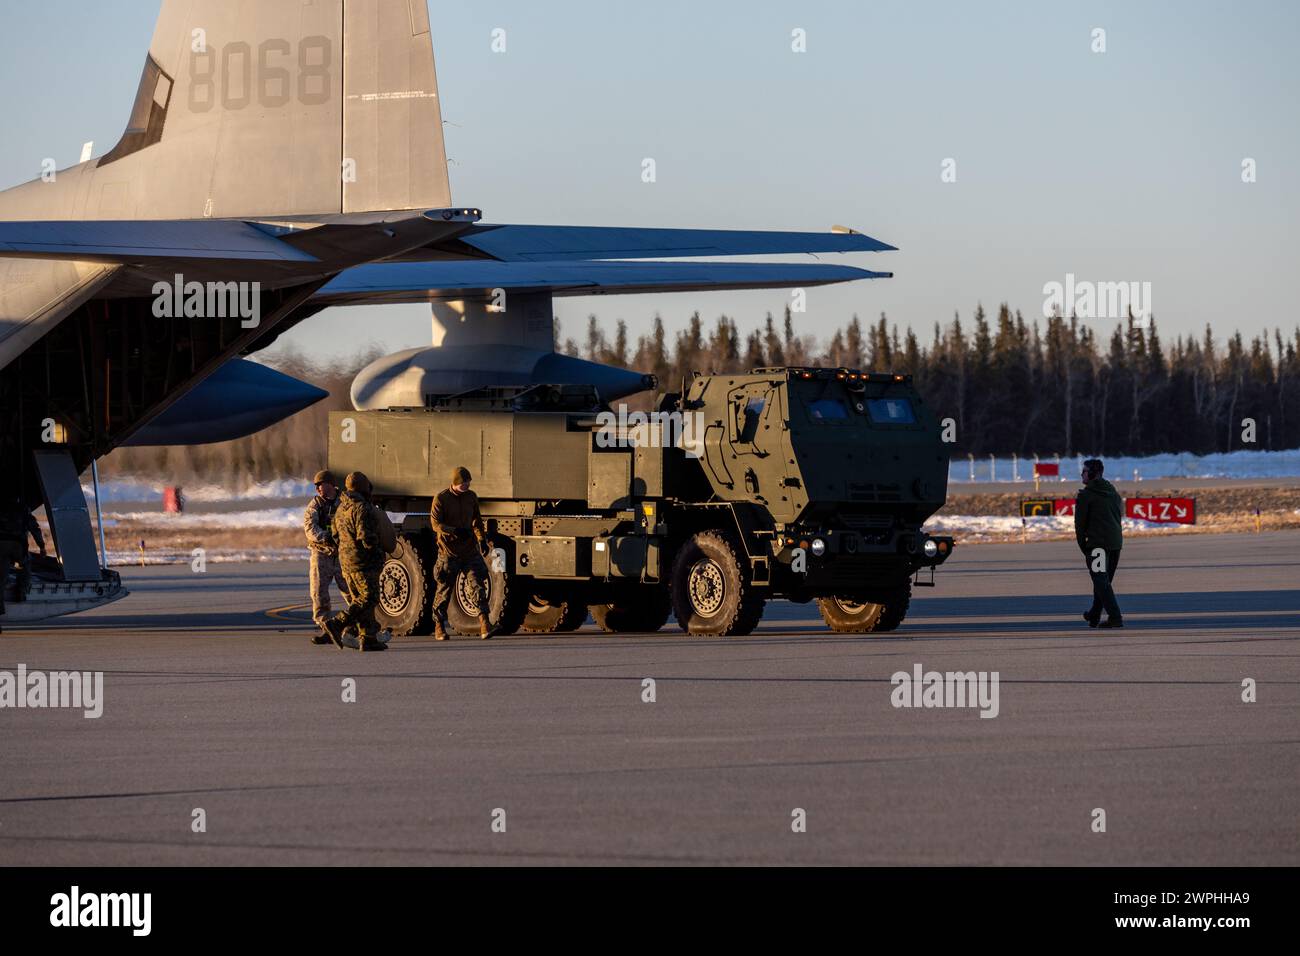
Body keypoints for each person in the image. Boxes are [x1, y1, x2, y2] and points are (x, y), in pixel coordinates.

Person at [322, 472, 387, 652]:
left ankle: (368, 638)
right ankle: (337, 623)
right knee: (369, 598)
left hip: (346, 562)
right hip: (364, 562)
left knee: (360, 599)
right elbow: (367, 538)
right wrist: (379, 548)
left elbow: (334, 536)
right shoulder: (362, 509)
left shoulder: (341, 508)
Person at [430, 466, 492, 640]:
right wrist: (454, 531)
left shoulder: (471, 497)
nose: (467, 485)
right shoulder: (441, 498)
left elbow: (476, 519)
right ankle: (439, 626)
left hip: (469, 550)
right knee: (444, 590)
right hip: (449, 551)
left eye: (468, 482)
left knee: (477, 584)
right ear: (455, 483)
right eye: (464, 483)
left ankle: (485, 623)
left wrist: (481, 539)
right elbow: (436, 524)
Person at [303, 470, 351, 645]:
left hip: (342, 554)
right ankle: (327, 629)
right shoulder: (315, 505)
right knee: (318, 593)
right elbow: (309, 527)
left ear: (331, 484)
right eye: (316, 486)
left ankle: (354, 626)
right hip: (321, 554)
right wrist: (326, 537)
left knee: (351, 592)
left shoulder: (344, 502)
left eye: (320, 484)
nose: (317, 489)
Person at [1075, 458, 1124, 629]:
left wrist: (1084, 547)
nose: (1082, 474)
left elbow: (1080, 526)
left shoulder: (1085, 496)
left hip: (1097, 545)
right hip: (1115, 544)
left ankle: (1115, 617)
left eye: (1084, 471)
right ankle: (1094, 615)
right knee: (1102, 583)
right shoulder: (1113, 492)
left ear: (1092, 474)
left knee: (1101, 581)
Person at [0, 496, 46, 629]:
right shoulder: (22, 509)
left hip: (1, 546)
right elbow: (34, 528)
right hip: (17, 545)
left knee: (0, 580)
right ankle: (22, 591)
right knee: (25, 566)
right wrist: (41, 546)